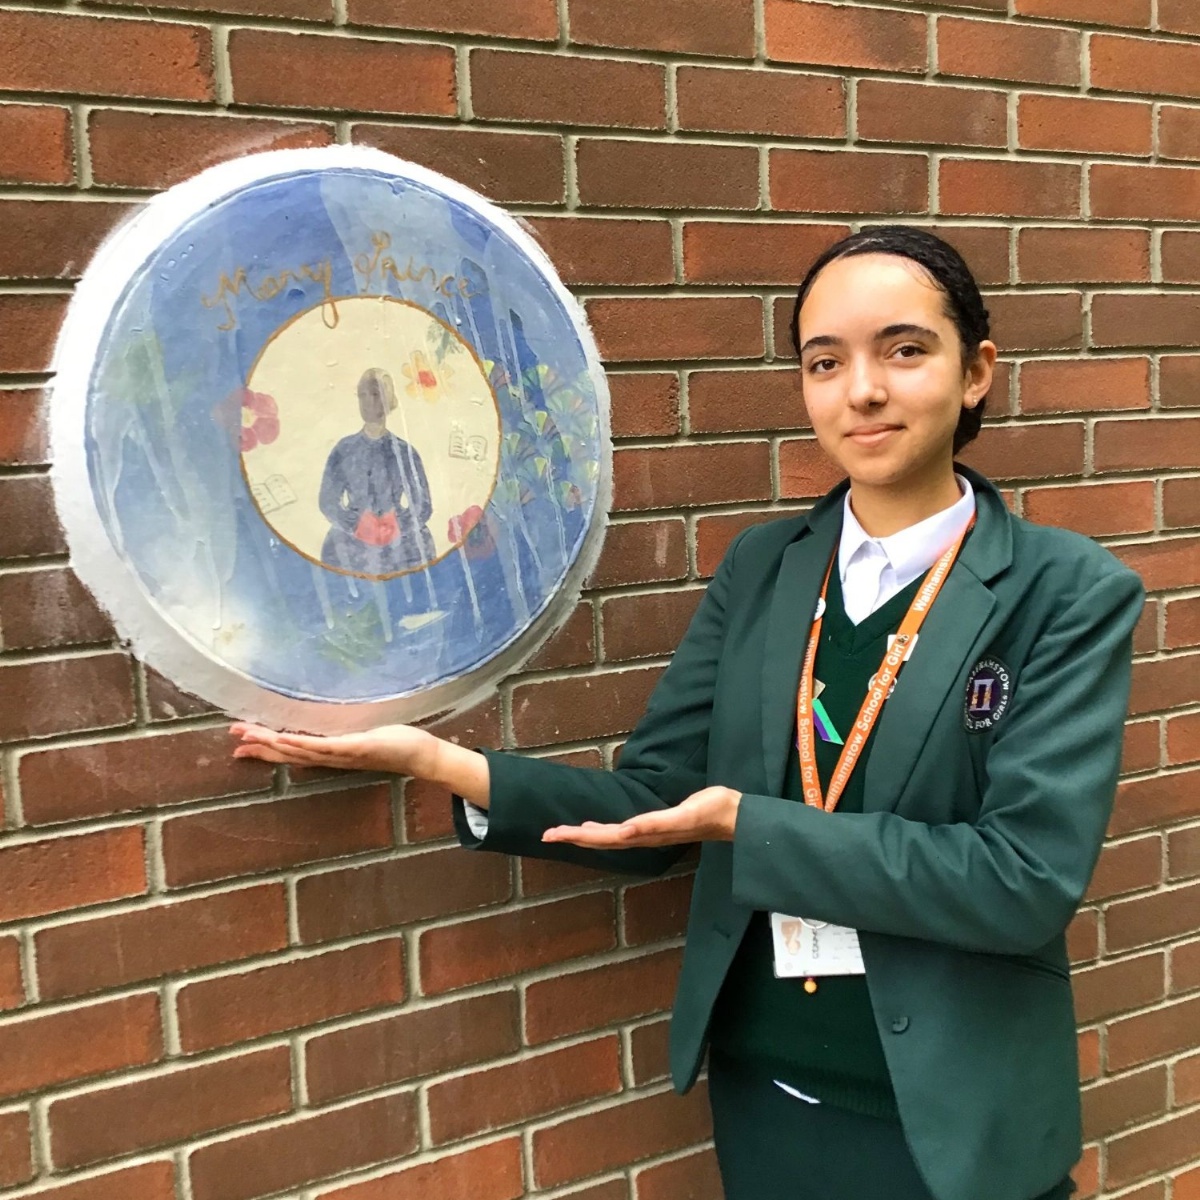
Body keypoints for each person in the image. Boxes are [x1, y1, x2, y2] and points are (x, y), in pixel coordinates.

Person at [232, 227, 1144, 1200]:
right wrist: (438, 762)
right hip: (768, 1102)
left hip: (959, 1130)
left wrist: (750, 824)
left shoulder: (1065, 593)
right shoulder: (765, 569)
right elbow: (660, 799)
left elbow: (1022, 881)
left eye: (904, 350)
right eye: (824, 362)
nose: (863, 390)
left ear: (976, 373)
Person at [319, 367, 435, 575]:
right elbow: (327, 501)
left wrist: (397, 524)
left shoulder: (404, 451)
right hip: (352, 540)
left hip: (401, 540)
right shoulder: (344, 449)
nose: (367, 402)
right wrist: (356, 524)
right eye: (362, 395)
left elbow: (423, 504)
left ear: (387, 399)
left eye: (374, 394)